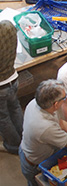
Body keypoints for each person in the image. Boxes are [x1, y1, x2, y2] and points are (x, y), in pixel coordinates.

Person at [0, 20, 23, 154]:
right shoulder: (7, 26)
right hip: (13, 79)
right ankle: (23, 137)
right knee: (15, 107)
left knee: (3, 117)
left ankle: (14, 146)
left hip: (0, 87)